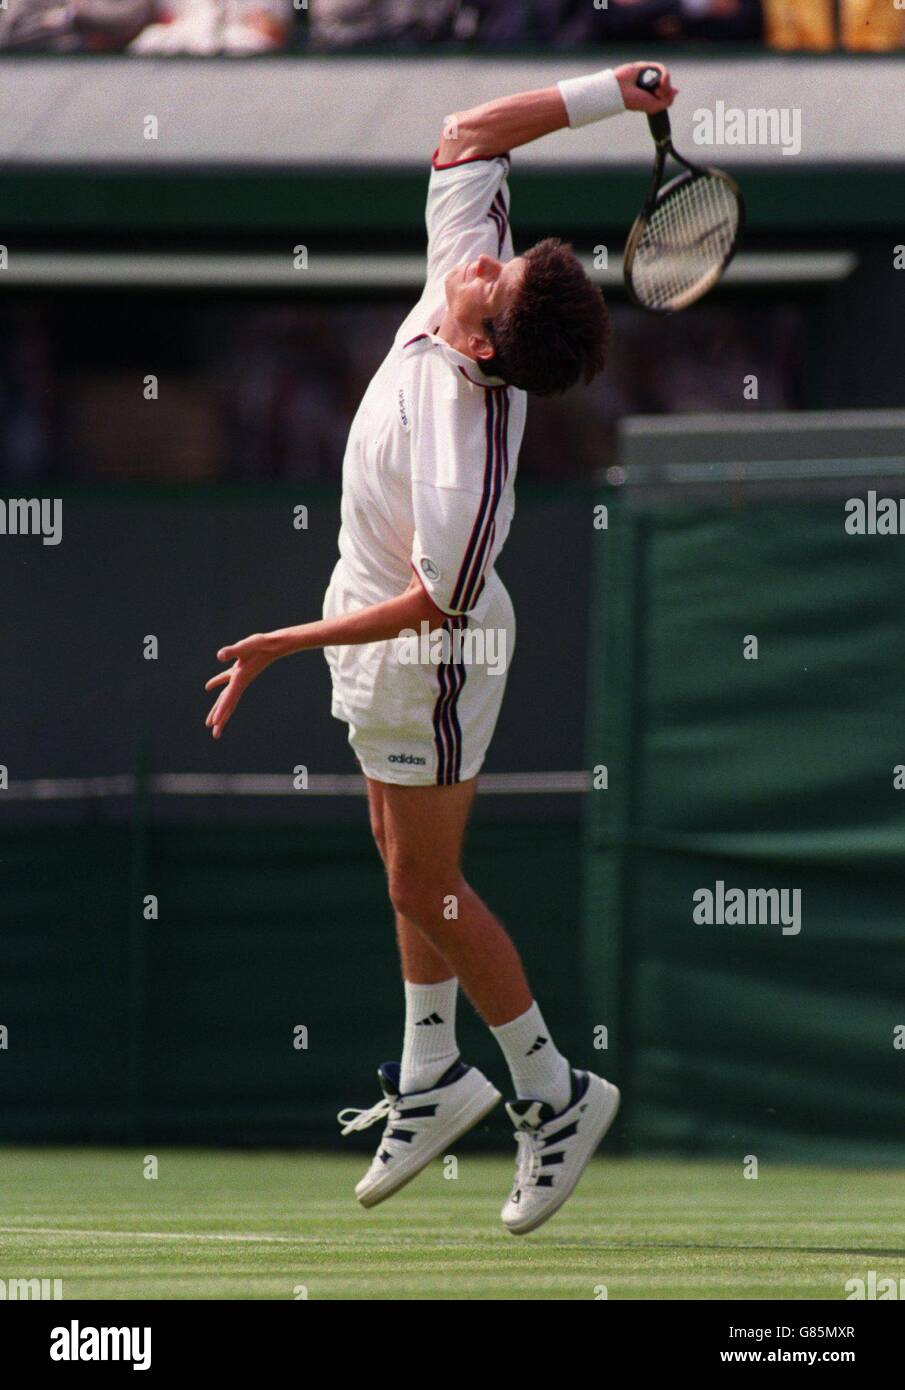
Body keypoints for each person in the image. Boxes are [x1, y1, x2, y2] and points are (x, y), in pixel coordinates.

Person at [205, 60, 677, 1235]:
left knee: (426, 878)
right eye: (495, 255)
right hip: (372, 621)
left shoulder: (469, 467)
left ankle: (553, 1090)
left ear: (487, 346)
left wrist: (283, 641)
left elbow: (437, 602)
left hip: (434, 657)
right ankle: (431, 1075)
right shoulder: (469, 285)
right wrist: (616, 93)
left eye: (492, 275)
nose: (477, 259)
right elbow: (466, 135)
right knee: (391, 848)